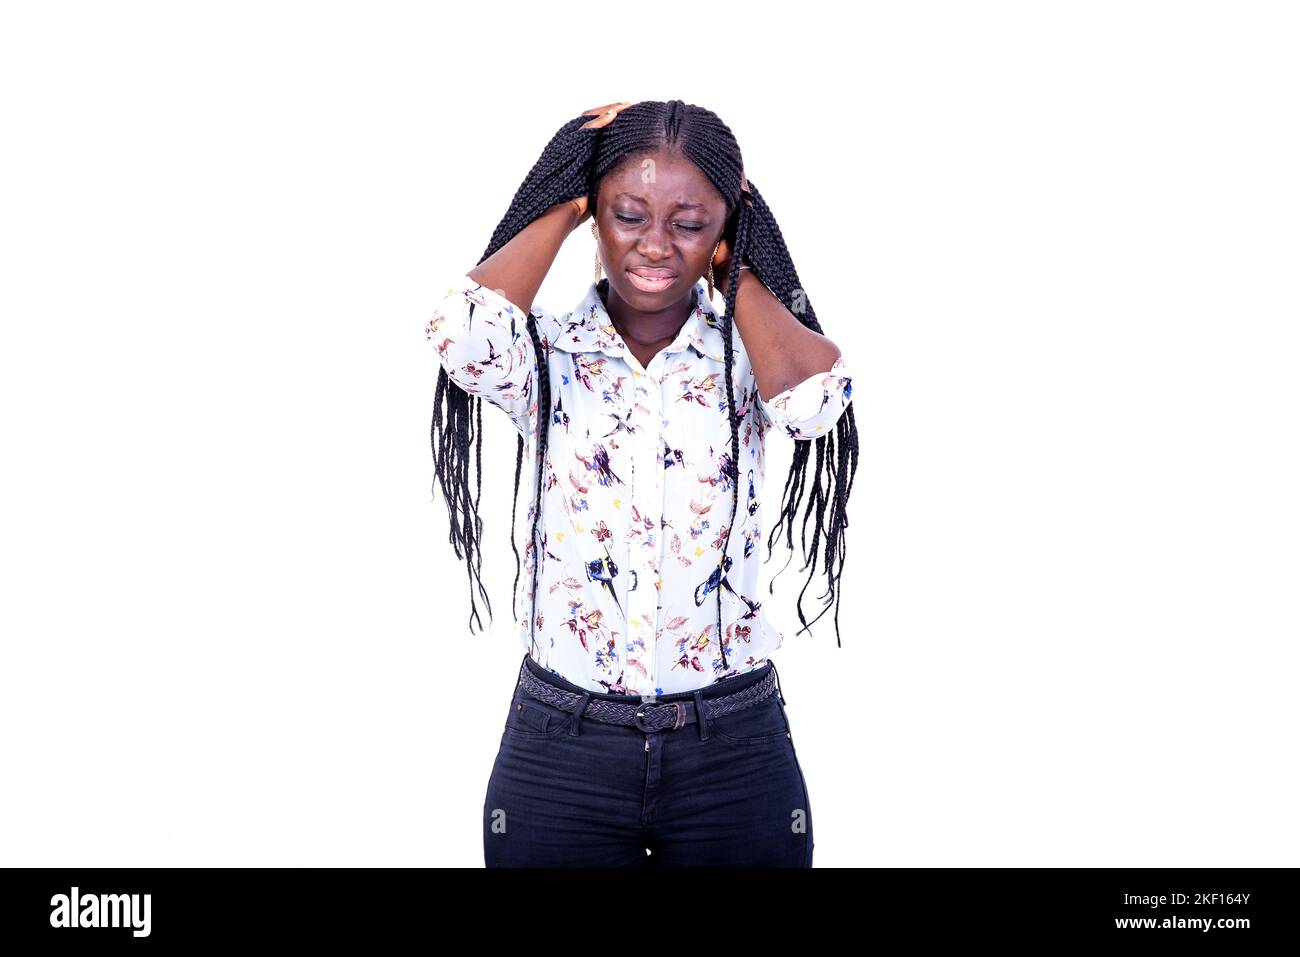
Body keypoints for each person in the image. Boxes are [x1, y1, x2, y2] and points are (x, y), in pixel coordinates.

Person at [427, 99, 857, 867]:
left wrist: (745, 252)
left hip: (732, 747)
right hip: (562, 747)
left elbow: (817, 403)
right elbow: (459, 335)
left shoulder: (744, 358)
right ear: (596, 215)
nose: (654, 244)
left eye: (689, 223)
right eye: (628, 213)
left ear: (723, 231)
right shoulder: (548, 351)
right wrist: (563, 184)